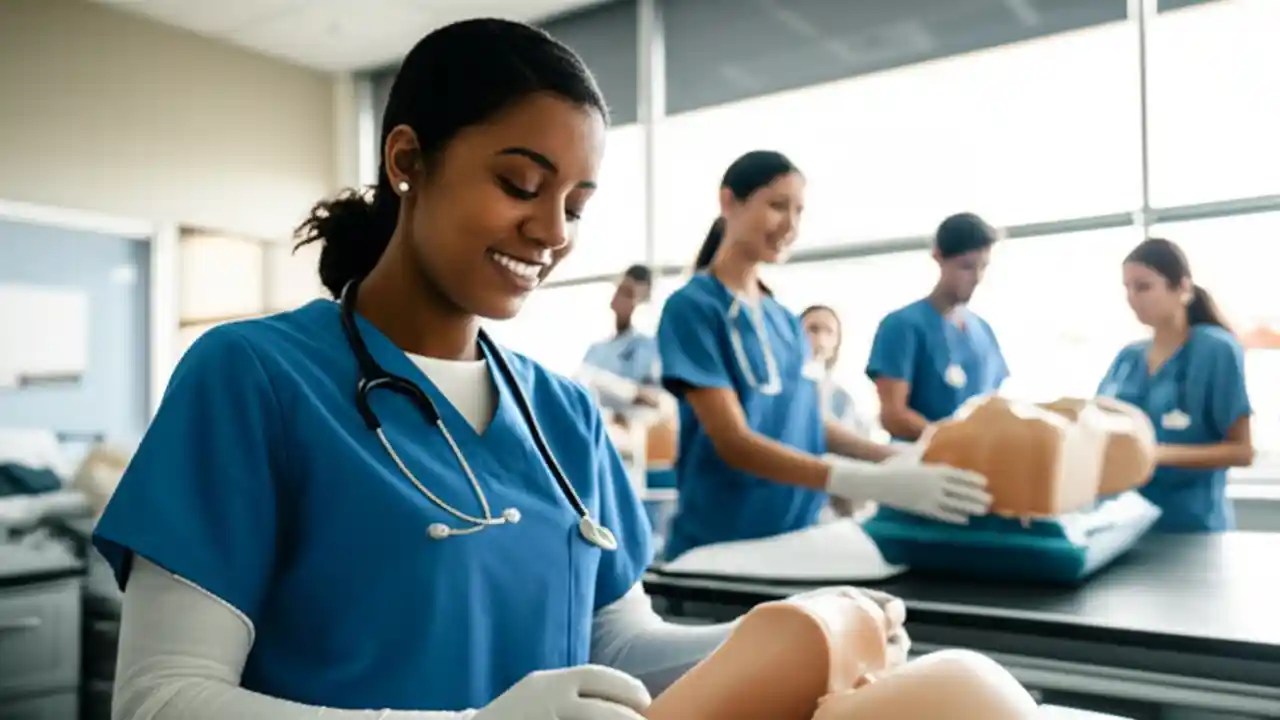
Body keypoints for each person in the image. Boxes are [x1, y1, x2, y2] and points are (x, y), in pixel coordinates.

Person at [90, 19, 786, 720]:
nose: (553, 233)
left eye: (575, 206)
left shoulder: (564, 415)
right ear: (408, 161)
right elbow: (162, 699)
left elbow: (617, 650)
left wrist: (785, 635)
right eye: (520, 185)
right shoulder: (255, 377)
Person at [656, 151, 991, 561]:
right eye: (777, 206)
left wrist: (900, 458)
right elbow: (734, 443)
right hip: (721, 546)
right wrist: (864, 482)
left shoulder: (781, 319)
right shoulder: (694, 308)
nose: (791, 226)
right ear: (729, 202)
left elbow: (810, 423)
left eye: (799, 211)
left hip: (795, 537)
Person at [1097, 237, 1254, 532]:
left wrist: (1154, 454)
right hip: (1125, 529)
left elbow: (1242, 450)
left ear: (1182, 288)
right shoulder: (1127, 358)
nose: (1132, 298)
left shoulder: (1215, 349)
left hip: (1192, 530)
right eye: (1127, 288)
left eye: (1143, 287)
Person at [865, 212, 1009, 442]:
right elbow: (893, 416)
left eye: (983, 266)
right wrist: (953, 441)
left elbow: (994, 407)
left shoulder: (983, 332)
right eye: (967, 267)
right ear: (938, 256)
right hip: (920, 465)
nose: (977, 277)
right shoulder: (903, 326)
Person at [578, 264, 665, 417]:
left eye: (631, 295)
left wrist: (626, 392)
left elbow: (658, 402)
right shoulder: (596, 351)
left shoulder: (653, 348)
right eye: (622, 292)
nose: (625, 301)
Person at [800, 305, 868, 435]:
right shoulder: (778, 386)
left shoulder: (842, 399)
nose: (821, 340)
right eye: (812, 329)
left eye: (829, 332)